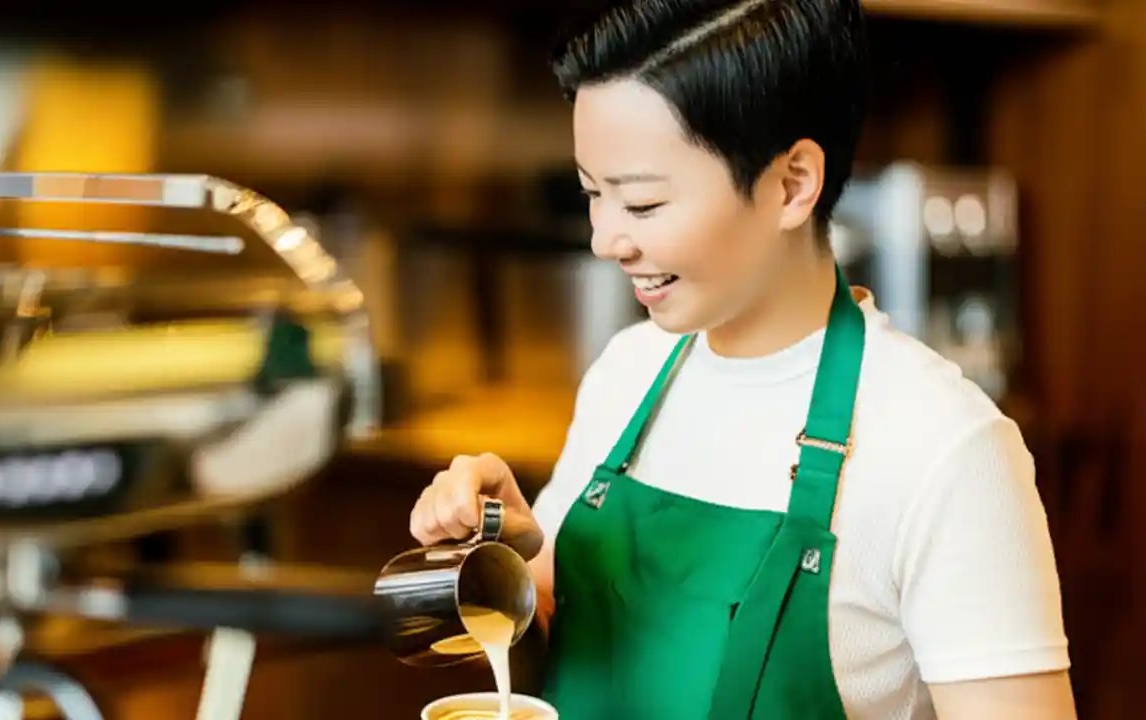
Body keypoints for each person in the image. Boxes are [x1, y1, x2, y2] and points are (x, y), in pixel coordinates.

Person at [408, 0, 1076, 717]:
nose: (606, 240)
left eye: (642, 204)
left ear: (792, 184)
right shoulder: (627, 373)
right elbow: (559, 653)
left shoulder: (945, 448)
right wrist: (502, 560)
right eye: (591, 194)